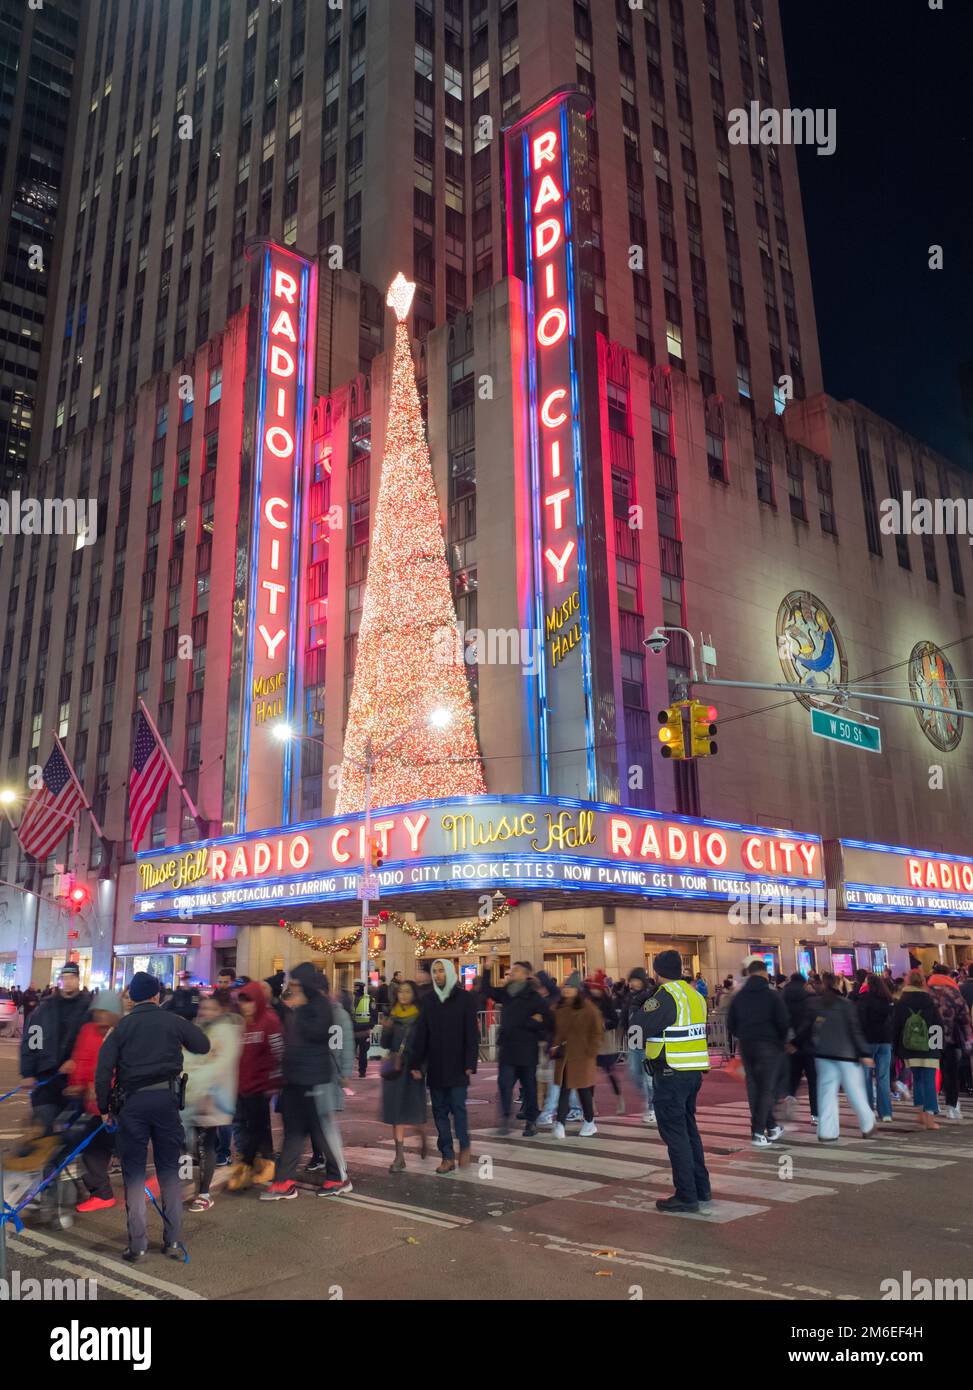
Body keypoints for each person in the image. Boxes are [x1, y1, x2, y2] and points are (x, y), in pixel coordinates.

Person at [94, 971, 209, 1261]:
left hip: (131, 1104)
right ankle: (172, 1241)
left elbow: (103, 1070)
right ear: (157, 996)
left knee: (134, 1173)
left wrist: (104, 1107)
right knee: (168, 1171)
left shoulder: (120, 1028)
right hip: (166, 1102)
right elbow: (203, 1045)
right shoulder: (172, 1021)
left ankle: (138, 1245)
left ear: (131, 997)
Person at [630, 950, 711, 1213]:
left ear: (658, 971)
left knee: (675, 1135)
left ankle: (686, 1196)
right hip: (693, 1072)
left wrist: (638, 1009)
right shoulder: (695, 995)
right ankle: (701, 1188)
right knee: (689, 1131)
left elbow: (636, 1031)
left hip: (670, 1073)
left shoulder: (664, 997)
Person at [261, 963, 351, 1200]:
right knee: (294, 1131)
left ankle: (338, 1177)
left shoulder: (320, 1007)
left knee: (321, 1131)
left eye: (297, 984)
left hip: (314, 1079)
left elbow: (317, 1034)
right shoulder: (301, 1009)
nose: (293, 989)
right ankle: (283, 1181)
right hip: (295, 1080)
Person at [409, 959, 478, 1174]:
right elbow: (422, 1034)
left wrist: (470, 1062)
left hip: (458, 1065)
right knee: (439, 1112)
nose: (438, 975)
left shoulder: (464, 999)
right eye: (435, 971)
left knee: (458, 1108)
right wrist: (416, 1063)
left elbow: (471, 1033)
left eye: (441, 971)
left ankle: (464, 1144)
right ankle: (447, 1155)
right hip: (437, 1066)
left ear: (449, 972)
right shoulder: (428, 1000)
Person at [180, 989, 242, 1212]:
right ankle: (186, 1183)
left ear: (221, 1010)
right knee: (186, 1144)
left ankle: (204, 1192)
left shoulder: (226, 1033)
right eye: (203, 1008)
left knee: (206, 1145)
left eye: (211, 1009)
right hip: (191, 1095)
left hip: (212, 1097)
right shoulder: (198, 1029)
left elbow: (220, 1066)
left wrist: (199, 1082)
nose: (205, 1012)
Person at [63, 989, 124, 1212]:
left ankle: (114, 1191)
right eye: (96, 1011)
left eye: (104, 1012)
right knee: (91, 1149)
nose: (99, 1016)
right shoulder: (87, 1030)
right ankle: (102, 1193)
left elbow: (120, 1070)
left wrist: (98, 1088)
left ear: (115, 1013)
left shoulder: (121, 1034)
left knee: (116, 1147)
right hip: (90, 1105)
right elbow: (81, 1059)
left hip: (114, 1105)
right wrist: (75, 1081)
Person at [801, 972, 875, 1143]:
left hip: (823, 1054)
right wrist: (864, 1053)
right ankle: (868, 1124)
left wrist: (796, 1043)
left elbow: (806, 1028)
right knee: (855, 1092)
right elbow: (854, 1030)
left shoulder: (815, 1004)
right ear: (837, 985)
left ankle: (827, 1132)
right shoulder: (846, 1004)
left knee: (826, 1093)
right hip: (847, 1055)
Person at [480, 960, 550, 1136]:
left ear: (526, 975)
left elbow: (547, 1019)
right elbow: (487, 991)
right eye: (512, 970)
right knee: (504, 1084)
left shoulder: (534, 997)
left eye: (516, 970)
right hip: (508, 1048)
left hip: (527, 1049)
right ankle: (504, 1118)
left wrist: (530, 1023)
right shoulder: (506, 993)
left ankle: (531, 1121)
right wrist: (486, 970)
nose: (512, 973)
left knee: (529, 1086)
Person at [727, 957, 790, 1147]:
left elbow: (731, 1024)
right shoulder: (772, 995)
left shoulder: (739, 996)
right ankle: (757, 1131)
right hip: (769, 1046)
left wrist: (743, 1035)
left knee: (754, 1088)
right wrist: (780, 1041)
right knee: (767, 1089)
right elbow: (783, 1022)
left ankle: (770, 1126)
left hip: (746, 1045)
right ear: (763, 973)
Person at [20, 962, 91, 1125]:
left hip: (75, 1082)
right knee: (44, 1131)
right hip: (46, 1078)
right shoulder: (44, 1008)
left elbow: (91, 1045)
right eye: (64, 978)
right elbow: (32, 1041)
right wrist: (27, 1072)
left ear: (78, 980)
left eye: (72, 977)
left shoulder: (88, 1009)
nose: (67, 982)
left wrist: (76, 1063)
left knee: (70, 1137)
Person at [229, 980, 284, 1191]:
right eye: (243, 1002)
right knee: (254, 1127)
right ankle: (263, 1162)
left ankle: (248, 1166)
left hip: (261, 1086)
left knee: (256, 1128)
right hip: (242, 1085)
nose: (246, 1006)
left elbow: (279, 1052)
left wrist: (275, 1081)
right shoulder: (242, 1024)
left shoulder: (269, 1021)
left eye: (249, 1002)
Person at [381, 980, 429, 1170]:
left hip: (414, 1067)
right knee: (396, 1113)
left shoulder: (420, 1016)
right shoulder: (393, 1014)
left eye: (408, 991)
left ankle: (421, 1135)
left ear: (414, 994)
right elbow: (385, 1044)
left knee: (414, 1111)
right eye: (401, 991)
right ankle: (399, 1157)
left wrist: (422, 1068)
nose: (404, 995)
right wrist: (387, 1029)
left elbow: (426, 1045)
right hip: (395, 1068)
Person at [549, 973, 602, 1138]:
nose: (566, 990)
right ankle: (560, 1124)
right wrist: (554, 1046)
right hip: (565, 1056)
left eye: (570, 987)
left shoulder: (589, 1008)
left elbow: (597, 1031)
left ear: (577, 990)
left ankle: (589, 1121)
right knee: (565, 1089)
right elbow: (554, 1031)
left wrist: (591, 1051)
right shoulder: (558, 1008)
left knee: (583, 1090)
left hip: (583, 1055)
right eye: (565, 987)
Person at [893, 969, 944, 1128]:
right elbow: (937, 1025)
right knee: (929, 1080)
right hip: (929, 1047)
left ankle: (921, 1114)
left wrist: (898, 1049)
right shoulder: (928, 1000)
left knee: (918, 1080)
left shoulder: (901, 1001)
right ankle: (930, 1118)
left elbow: (896, 1027)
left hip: (910, 1048)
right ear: (922, 982)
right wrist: (938, 1048)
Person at [926, 963, 972, 1120]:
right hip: (952, 1036)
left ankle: (933, 1104)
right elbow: (965, 1017)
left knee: (934, 1069)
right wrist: (968, 1038)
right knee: (951, 1072)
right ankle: (952, 1106)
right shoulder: (953, 992)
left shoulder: (927, 991)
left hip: (933, 1034)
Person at [855, 974, 894, 1122]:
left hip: (868, 1042)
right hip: (885, 1042)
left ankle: (868, 1110)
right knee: (883, 1078)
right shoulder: (888, 1000)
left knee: (866, 1078)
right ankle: (886, 1113)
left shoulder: (863, 1000)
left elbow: (860, 1022)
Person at [620, 968, 656, 1125]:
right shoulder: (629, 997)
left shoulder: (650, 996)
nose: (632, 983)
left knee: (648, 1078)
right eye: (631, 980)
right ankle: (651, 1100)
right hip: (633, 1039)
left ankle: (652, 1107)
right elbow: (624, 1016)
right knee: (634, 1073)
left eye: (635, 979)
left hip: (647, 1040)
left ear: (642, 980)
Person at [586, 970, 623, 1115]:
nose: (595, 991)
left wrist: (604, 1024)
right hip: (591, 1042)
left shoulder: (608, 1003)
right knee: (591, 1075)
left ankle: (619, 1099)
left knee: (610, 1072)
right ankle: (592, 1105)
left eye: (597, 988)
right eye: (593, 988)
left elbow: (615, 1021)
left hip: (605, 1042)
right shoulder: (587, 1002)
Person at [781, 972, 818, 1122]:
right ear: (804, 983)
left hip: (791, 1045)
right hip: (808, 1043)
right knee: (813, 1081)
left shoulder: (783, 997)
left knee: (793, 1076)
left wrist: (789, 1042)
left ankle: (790, 1096)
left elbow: (782, 1020)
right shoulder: (810, 997)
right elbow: (812, 1021)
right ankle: (815, 1114)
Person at [352, 979, 377, 1078]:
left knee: (363, 1052)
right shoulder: (351, 998)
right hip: (353, 1029)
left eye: (357, 987)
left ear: (362, 987)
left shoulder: (369, 999)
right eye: (355, 986)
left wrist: (371, 1027)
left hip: (364, 1029)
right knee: (350, 1051)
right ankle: (346, 1071)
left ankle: (362, 1071)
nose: (356, 989)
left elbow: (374, 1014)